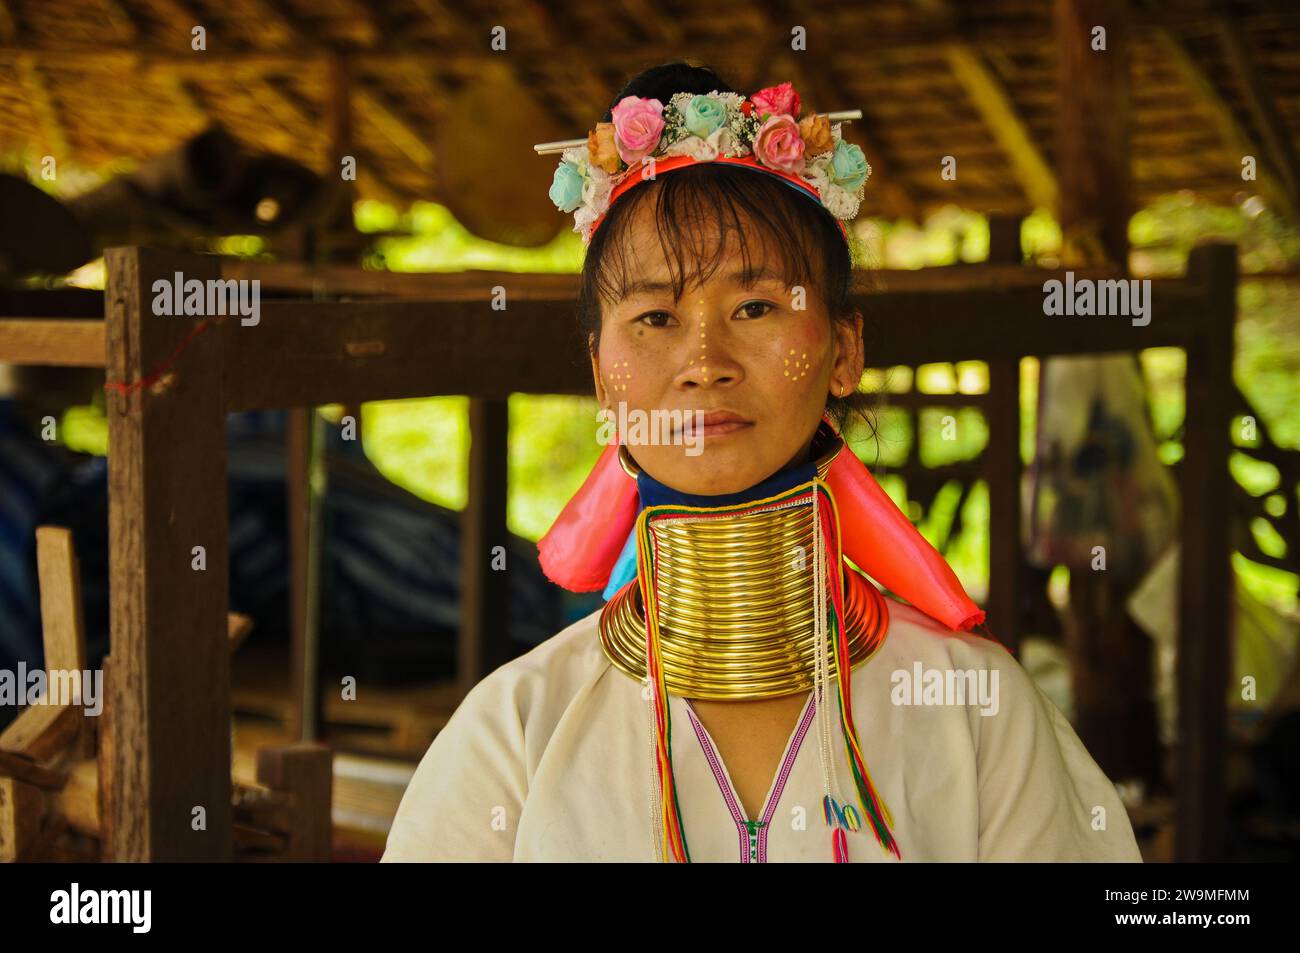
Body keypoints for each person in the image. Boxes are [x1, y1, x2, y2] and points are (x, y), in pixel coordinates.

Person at [382, 62, 1142, 862]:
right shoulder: (517, 728)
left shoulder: (977, 711)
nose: (704, 359)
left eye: (756, 307)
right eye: (655, 316)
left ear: (843, 350)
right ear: (602, 375)